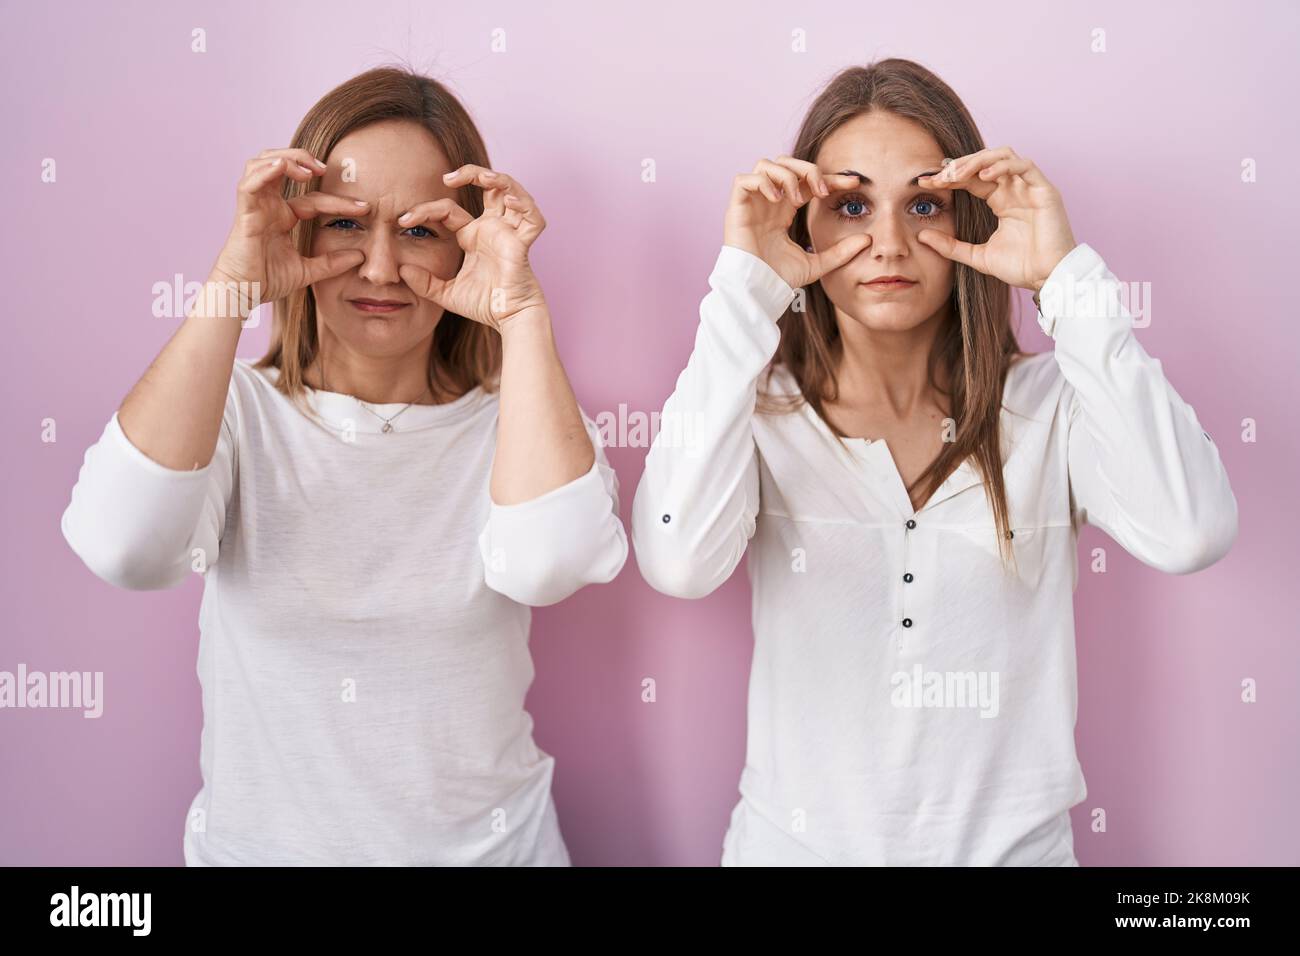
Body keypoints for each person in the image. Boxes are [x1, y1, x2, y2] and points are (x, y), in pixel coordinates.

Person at [631, 58, 1238, 865]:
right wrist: (744, 291)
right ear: (806, 224)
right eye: (851, 205)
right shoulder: (755, 410)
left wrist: (1067, 281)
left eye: (923, 203)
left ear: (970, 220)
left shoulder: (1054, 405)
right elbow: (676, 558)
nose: (888, 242)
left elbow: (1192, 531)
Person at [60, 67, 627, 865]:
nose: (381, 268)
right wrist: (231, 285)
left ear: (465, 239)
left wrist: (522, 316)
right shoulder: (233, 413)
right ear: (299, 229)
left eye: (421, 229)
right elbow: (123, 546)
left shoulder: (525, 416)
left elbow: (550, 564)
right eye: (348, 224)